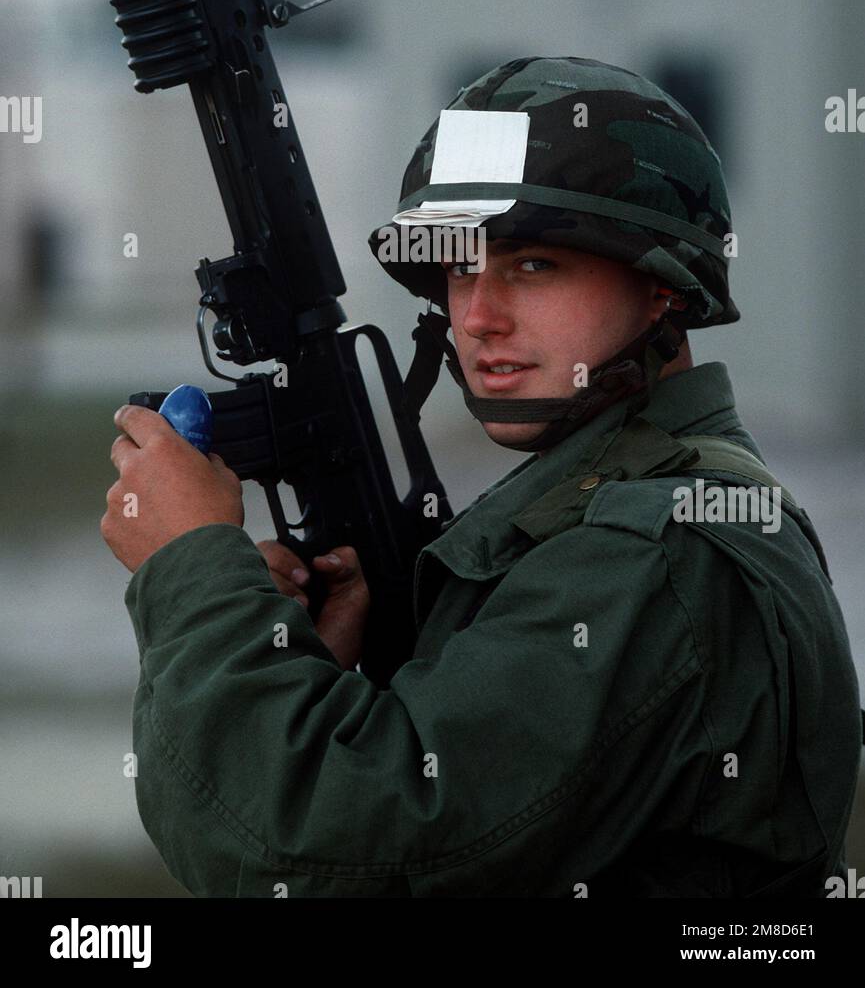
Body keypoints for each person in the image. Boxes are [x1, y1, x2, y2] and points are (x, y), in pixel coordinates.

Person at [102, 55, 862, 897]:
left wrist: (194, 572)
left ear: (661, 291)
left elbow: (317, 851)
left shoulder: (653, 551)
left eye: (532, 265)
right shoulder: (615, 500)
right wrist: (328, 672)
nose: (478, 316)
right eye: (460, 269)